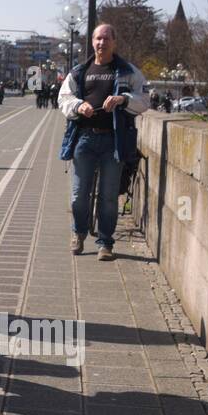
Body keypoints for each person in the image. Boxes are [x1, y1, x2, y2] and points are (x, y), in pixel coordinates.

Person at [58, 24, 148, 260]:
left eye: (106, 38)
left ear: (114, 42)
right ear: (92, 42)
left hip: (114, 141)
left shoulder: (128, 71)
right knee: (79, 196)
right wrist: (79, 106)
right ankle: (78, 232)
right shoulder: (79, 71)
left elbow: (144, 100)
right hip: (84, 139)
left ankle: (105, 243)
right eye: (98, 38)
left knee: (108, 197)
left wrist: (123, 99)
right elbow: (63, 99)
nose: (102, 43)